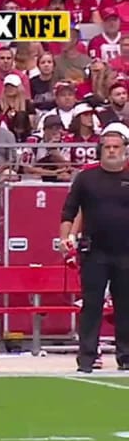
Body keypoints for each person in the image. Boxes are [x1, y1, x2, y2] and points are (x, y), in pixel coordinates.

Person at [61, 125, 129, 373]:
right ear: (100, 150)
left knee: (126, 305)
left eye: (116, 147)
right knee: (92, 305)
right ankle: (87, 357)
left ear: (125, 150)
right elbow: (69, 210)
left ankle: (126, 356)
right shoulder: (86, 178)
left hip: (126, 253)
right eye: (107, 147)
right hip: (94, 252)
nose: (111, 151)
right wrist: (64, 238)